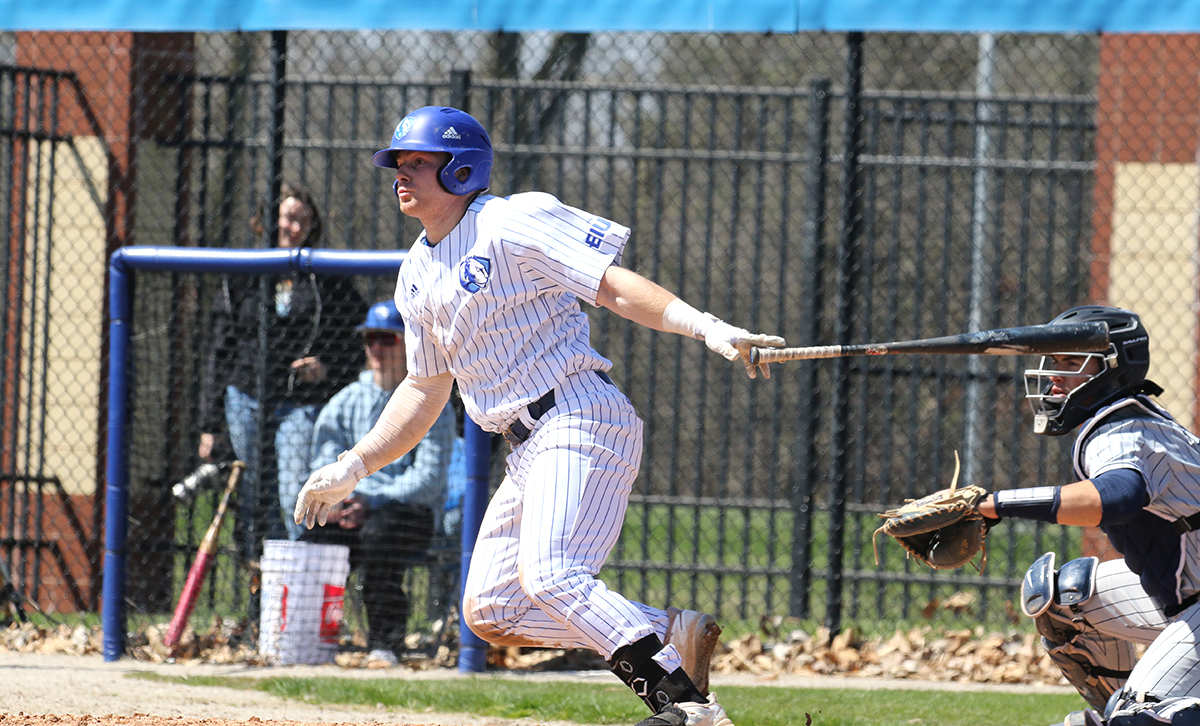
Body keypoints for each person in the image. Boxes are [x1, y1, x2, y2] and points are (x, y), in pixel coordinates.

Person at [293, 106, 786, 726]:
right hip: (526, 447)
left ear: (462, 167)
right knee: (491, 611)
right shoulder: (416, 271)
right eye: (398, 163)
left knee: (553, 575)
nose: (401, 174)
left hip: (578, 415)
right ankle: (668, 633)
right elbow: (423, 389)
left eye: (419, 162)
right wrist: (352, 466)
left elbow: (610, 286)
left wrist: (706, 326)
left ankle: (688, 710)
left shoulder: (510, 219)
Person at [974, 305, 1200, 726]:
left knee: (1143, 718)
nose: (1055, 374)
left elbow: (1116, 497)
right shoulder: (1124, 417)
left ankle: (1138, 714)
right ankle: (1120, 712)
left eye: (1070, 361)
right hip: (1187, 596)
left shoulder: (1125, 430)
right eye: (1054, 360)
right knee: (1065, 597)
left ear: (1113, 366)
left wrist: (995, 504)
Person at [200, 183, 368, 551]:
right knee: (252, 489)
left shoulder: (325, 278)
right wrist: (210, 425)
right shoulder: (241, 275)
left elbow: (358, 339)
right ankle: (258, 583)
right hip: (245, 397)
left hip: (299, 403)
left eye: (304, 222)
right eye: (289, 218)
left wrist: (327, 368)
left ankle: (296, 579)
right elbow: (219, 349)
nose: (295, 228)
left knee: (294, 489)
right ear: (267, 221)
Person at [300, 299, 456, 667]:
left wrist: (368, 498)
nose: (376, 348)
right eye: (370, 339)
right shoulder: (344, 402)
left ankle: (385, 644)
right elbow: (322, 465)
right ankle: (305, 642)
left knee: (379, 535)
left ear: (409, 343)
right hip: (352, 508)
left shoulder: (434, 401)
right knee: (313, 537)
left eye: (387, 339)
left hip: (406, 513)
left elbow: (428, 481)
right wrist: (338, 503)